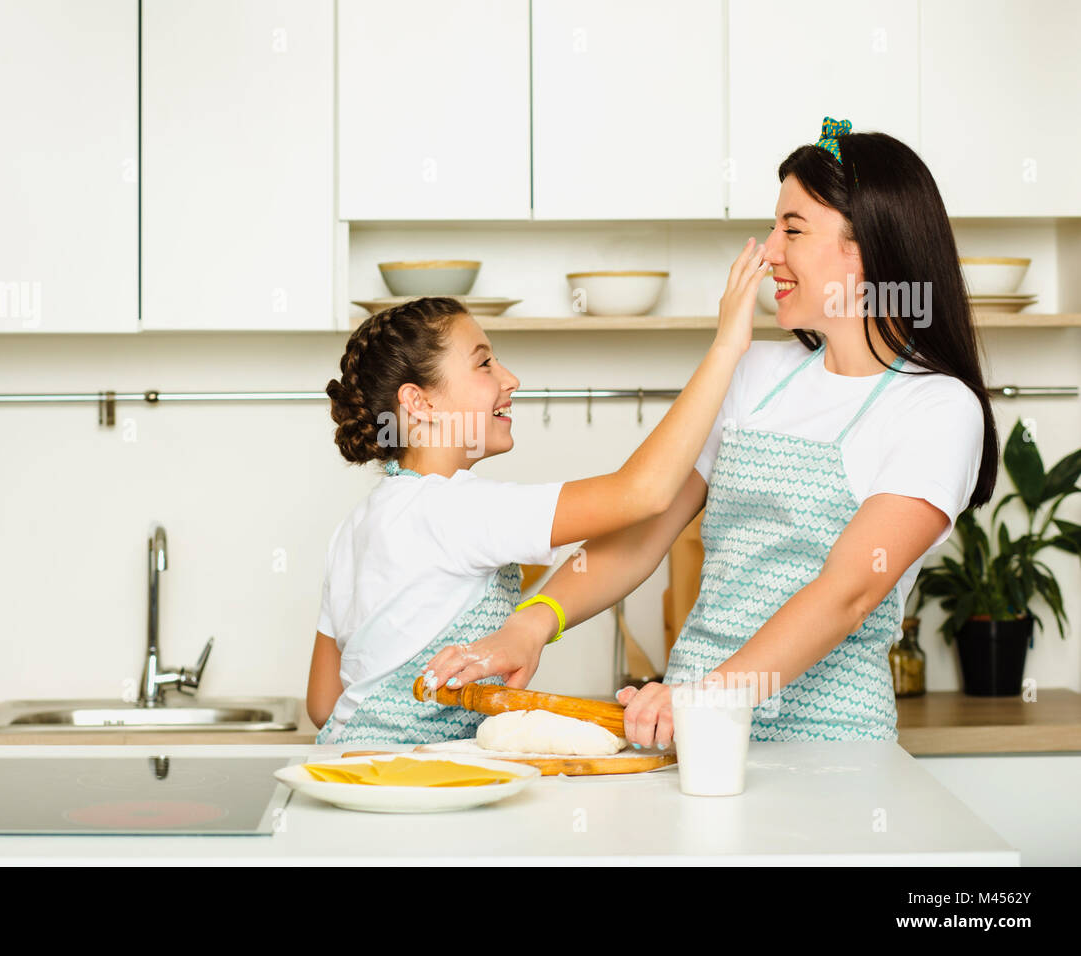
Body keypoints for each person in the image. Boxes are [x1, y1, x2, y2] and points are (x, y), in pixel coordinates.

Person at [423, 117, 998, 746]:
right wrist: (531, 624)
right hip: (689, 731)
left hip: (826, 747)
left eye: (793, 230)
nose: (769, 250)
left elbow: (848, 591)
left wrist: (709, 699)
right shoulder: (757, 373)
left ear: (866, 247)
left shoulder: (937, 409)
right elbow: (646, 531)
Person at [308, 261, 768, 743]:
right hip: (414, 785)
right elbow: (643, 492)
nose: (511, 379)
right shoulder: (457, 510)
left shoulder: (355, 527)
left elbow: (323, 703)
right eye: (484, 363)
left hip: (344, 764)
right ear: (420, 404)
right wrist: (726, 347)